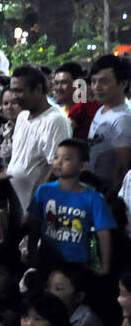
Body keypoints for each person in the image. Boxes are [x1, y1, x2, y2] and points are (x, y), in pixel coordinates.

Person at [26, 139, 115, 279]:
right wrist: (31, 255)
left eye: (66, 158)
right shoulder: (44, 191)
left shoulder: (94, 198)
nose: (58, 162)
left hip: (78, 263)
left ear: (82, 166)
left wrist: (104, 266)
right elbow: (34, 224)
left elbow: (103, 232)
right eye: (56, 157)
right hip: (47, 258)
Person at [3, 65, 72, 232]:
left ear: (39, 89)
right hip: (18, 205)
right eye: (12, 91)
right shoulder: (22, 117)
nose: (14, 97)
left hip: (41, 212)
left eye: (19, 91)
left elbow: (56, 168)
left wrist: (35, 205)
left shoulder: (56, 120)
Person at [87, 54, 131, 196]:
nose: (96, 87)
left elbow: (123, 167)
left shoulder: (123, 118)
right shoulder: (103, 108)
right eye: (93, 81)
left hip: (107, 193)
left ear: (123, 84)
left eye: (103, 82)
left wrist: (112, 197)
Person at [44, 265, 108, 326]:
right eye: (47, 287)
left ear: (78, 296)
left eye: (58, 288)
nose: (49, 292)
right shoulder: (45, 311)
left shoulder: (87, 319)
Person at [54, 61, 99, 140]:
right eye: (56, 83)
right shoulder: (57, 112)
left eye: (63, 83)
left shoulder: (93, 112)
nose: (58, 88)